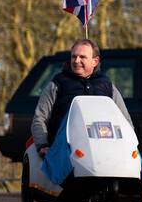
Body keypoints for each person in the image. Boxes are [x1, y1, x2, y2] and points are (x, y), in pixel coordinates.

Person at [31, 39, 134, 182]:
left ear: (95, 61)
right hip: (65, 148)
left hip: (105, 146)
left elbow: (125, 119)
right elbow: (40, 117)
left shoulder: (107, 85)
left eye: (82, 57)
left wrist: (130, 144)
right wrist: (42, 144)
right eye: (74, 56)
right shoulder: (57, 83)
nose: (76, 61)